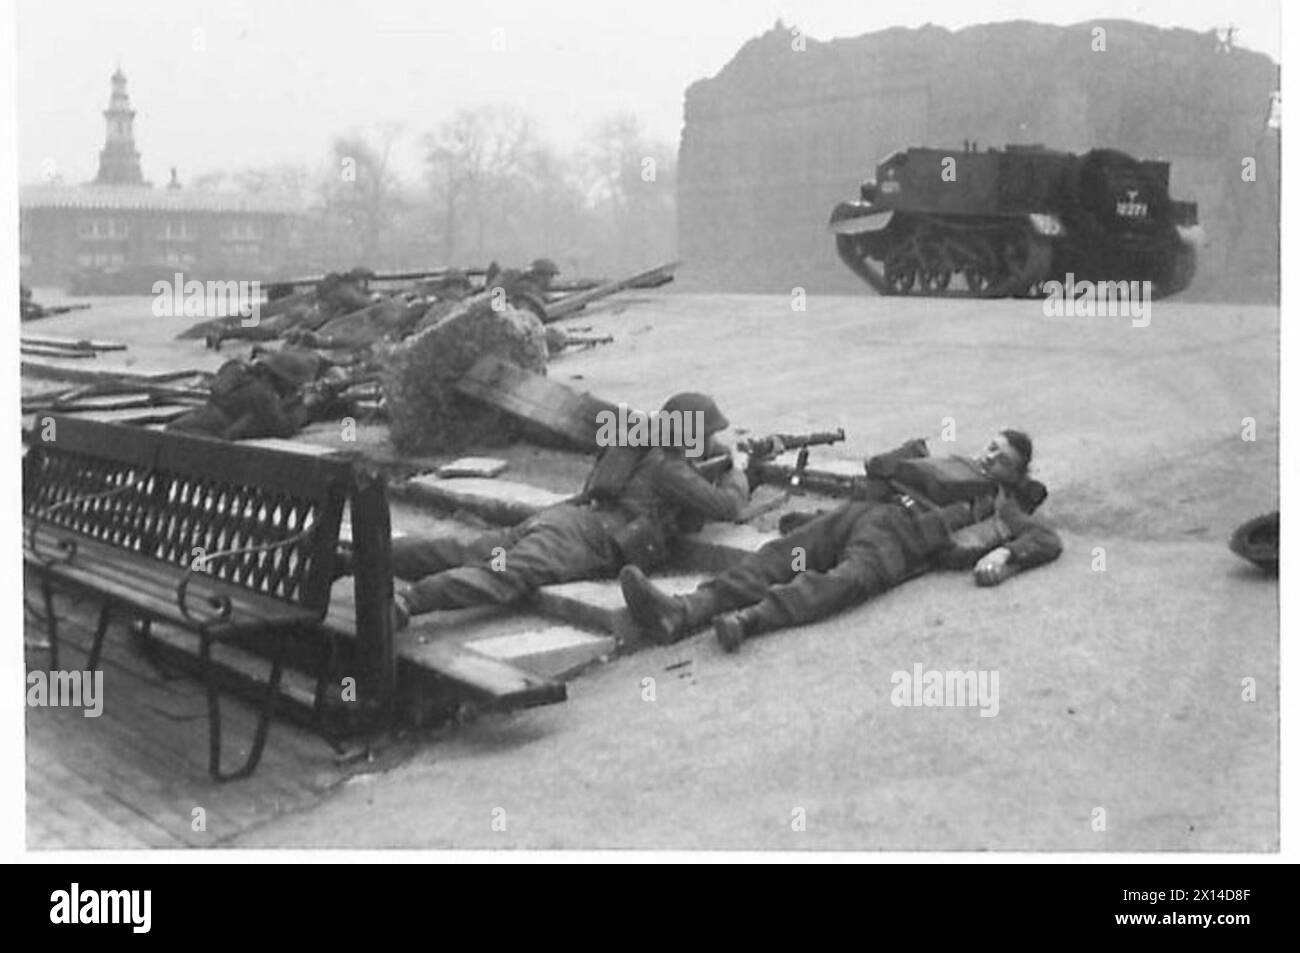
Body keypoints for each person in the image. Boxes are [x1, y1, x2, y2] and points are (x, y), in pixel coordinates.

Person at [619, 429, 1063, 652]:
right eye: (991, 447)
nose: (989, 458)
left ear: (1014, 474)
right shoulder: (952, 464)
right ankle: (684, 611)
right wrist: (908, 456)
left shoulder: (1001, 502)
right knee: (780, 559)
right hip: (861, 514)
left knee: (842, 582)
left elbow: (1046, 539)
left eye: (1001, 459)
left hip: (899, 540)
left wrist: (1006, 554)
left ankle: (752, 620)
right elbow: (875, 468)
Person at [350, 392, 750, 628]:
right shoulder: (672, 470)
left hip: (565, 515)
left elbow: (700, 452)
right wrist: (741, 471)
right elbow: (728, 507)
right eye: (708, 431)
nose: (712, 438)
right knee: (503, 575)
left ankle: (363, 557)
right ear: (691, 432)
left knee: (465, 550)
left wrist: (725, 453)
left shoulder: (643, 441)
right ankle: (410, 602)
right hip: (586, 537)